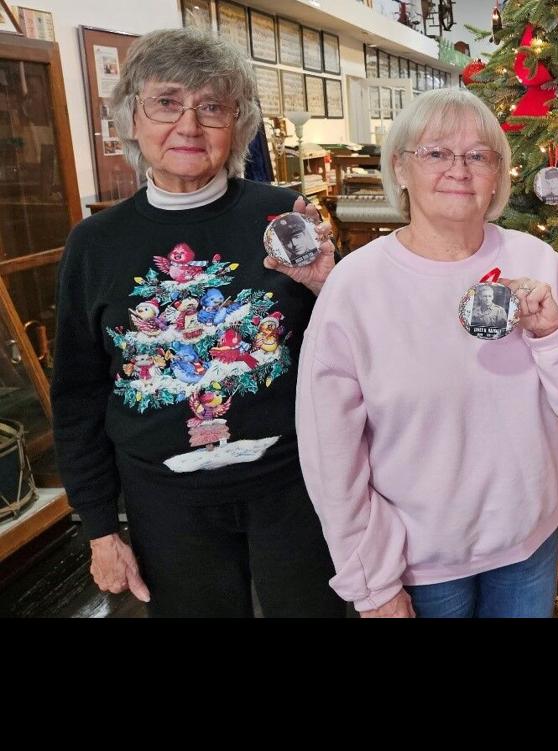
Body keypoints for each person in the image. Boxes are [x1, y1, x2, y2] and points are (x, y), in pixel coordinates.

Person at [51, 27, 342, 617]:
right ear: (133, 117)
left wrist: (333, 284)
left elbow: (347, 352)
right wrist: (102, 529)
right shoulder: (94, 245)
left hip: (294, 488)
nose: (188, 125)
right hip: (165, 504)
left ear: (238, 125)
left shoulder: (283, 215)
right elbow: (79, 395)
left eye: (212, 106)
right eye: (166, 102)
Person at [297, 88, 558, 618]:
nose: (459, 169)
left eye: (478, 155)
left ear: (497, 177)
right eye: (436, 152)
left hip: (526, 547)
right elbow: (330, 453)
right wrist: (371, 581)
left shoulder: (537, 261)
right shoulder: (356, 285)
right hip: (418, 563)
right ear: (399, 168)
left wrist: (553, 332)